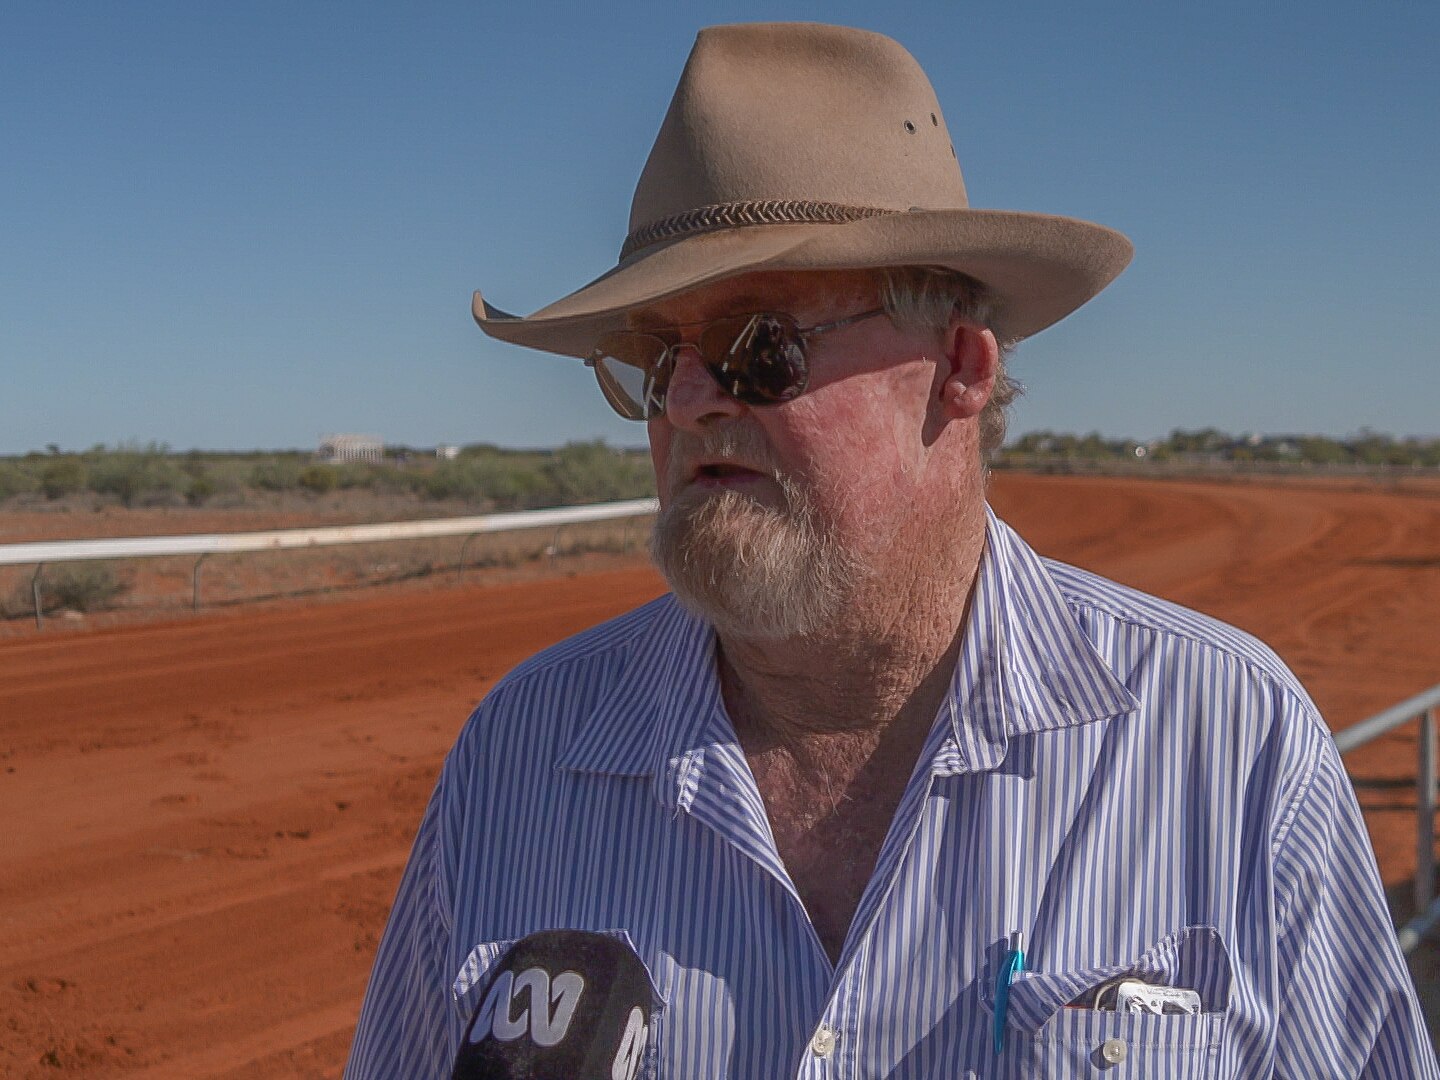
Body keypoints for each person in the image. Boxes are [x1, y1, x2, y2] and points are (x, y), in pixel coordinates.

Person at [347, 22, 1436, 1079]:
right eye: (657, 356)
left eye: (756, 346)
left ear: (958, 367)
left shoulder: (1231, 748)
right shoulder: (520, 759)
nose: (683, 401)